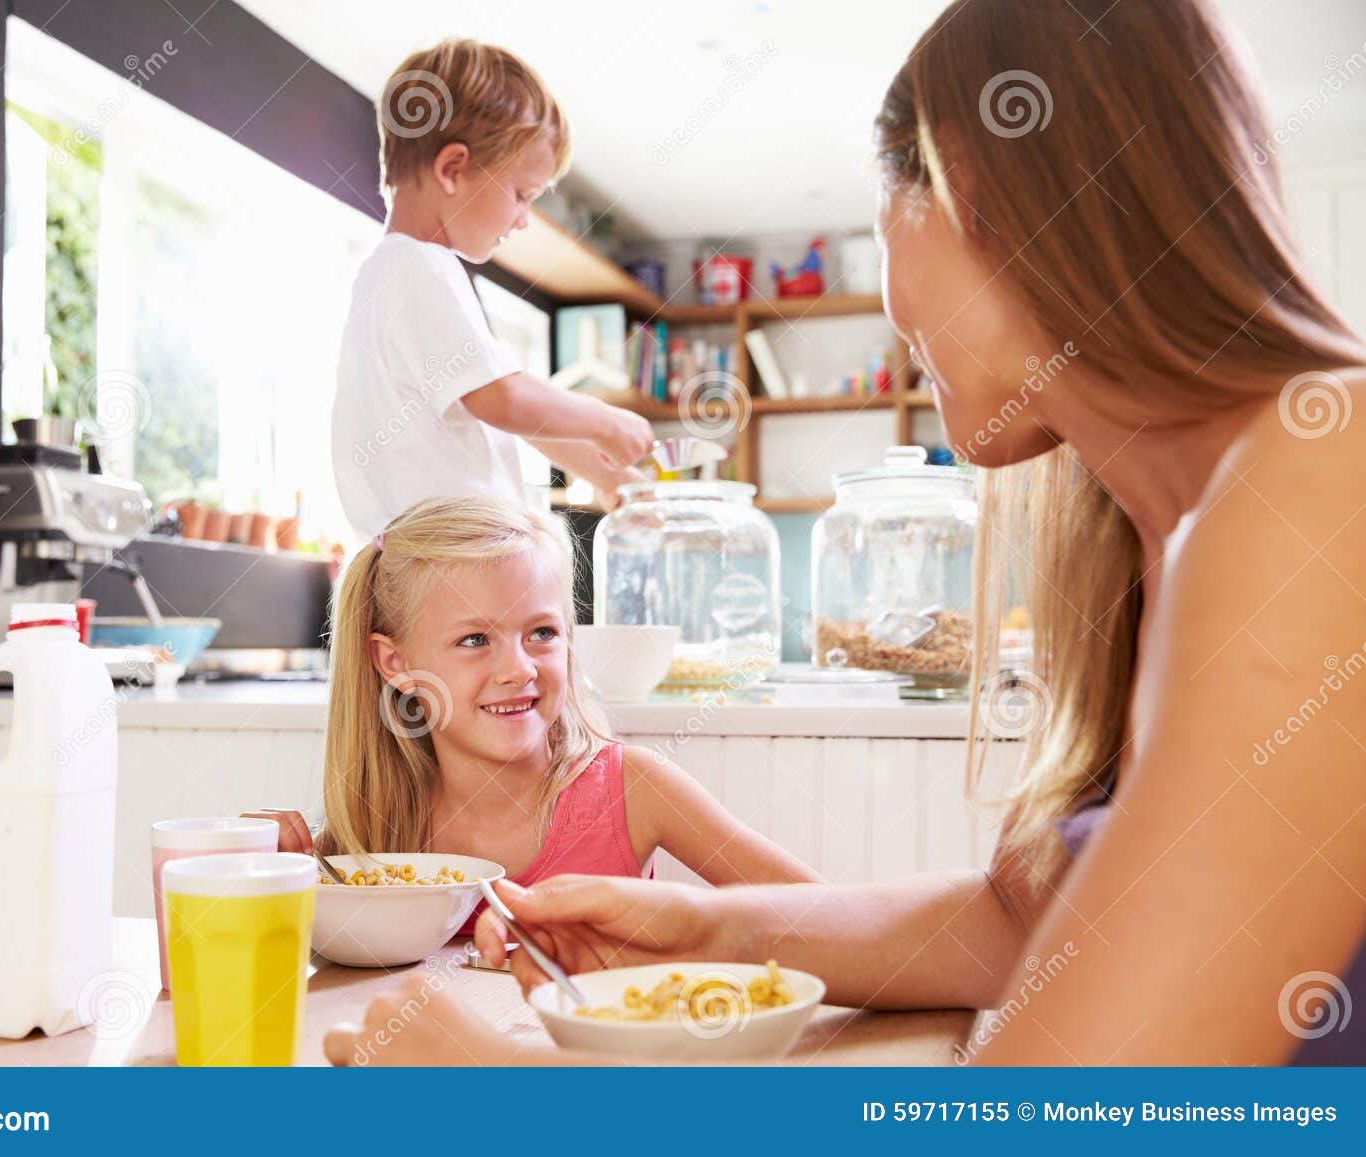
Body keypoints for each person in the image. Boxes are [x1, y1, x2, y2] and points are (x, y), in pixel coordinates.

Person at [322, 0, 1366, 1066]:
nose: (897, 309)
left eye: (891, 208)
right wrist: (702, 927)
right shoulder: (1158, 537)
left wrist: (502, 1085)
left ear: (991, 193)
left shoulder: (1322, 488)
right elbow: (1019, 926)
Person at [312, 496, 820, 937]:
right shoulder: (371, 827)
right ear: (396, 664)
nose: (518, 668)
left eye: (542, 633)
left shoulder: (633, 790)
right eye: (474, 640)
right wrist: (269, 871)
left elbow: (830, 916)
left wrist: (691, 926)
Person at [332, 38, 654, 538]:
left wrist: (611, 477)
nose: (524, 219)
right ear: (452, 169)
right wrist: (605, 422)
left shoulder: (401, 272)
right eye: (522, 195)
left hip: (430, 551)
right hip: (448, 553)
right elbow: (503, 399)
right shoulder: (418, 268)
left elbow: (508, 408)